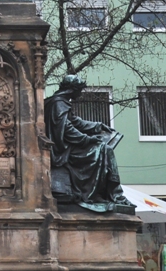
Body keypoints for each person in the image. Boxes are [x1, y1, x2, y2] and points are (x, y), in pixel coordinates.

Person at [44, 74, 132, 211]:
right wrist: (87, 139)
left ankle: (107, 193)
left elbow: (75, 122)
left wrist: (98, 126)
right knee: (104, 150)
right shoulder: (58, 103)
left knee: (103, 148)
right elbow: (67, 130)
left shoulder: (60, 102)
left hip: (67, 146)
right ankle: (113, 195)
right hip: (62, 151)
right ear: (73, 89)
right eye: (80, 89)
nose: (80, 93)